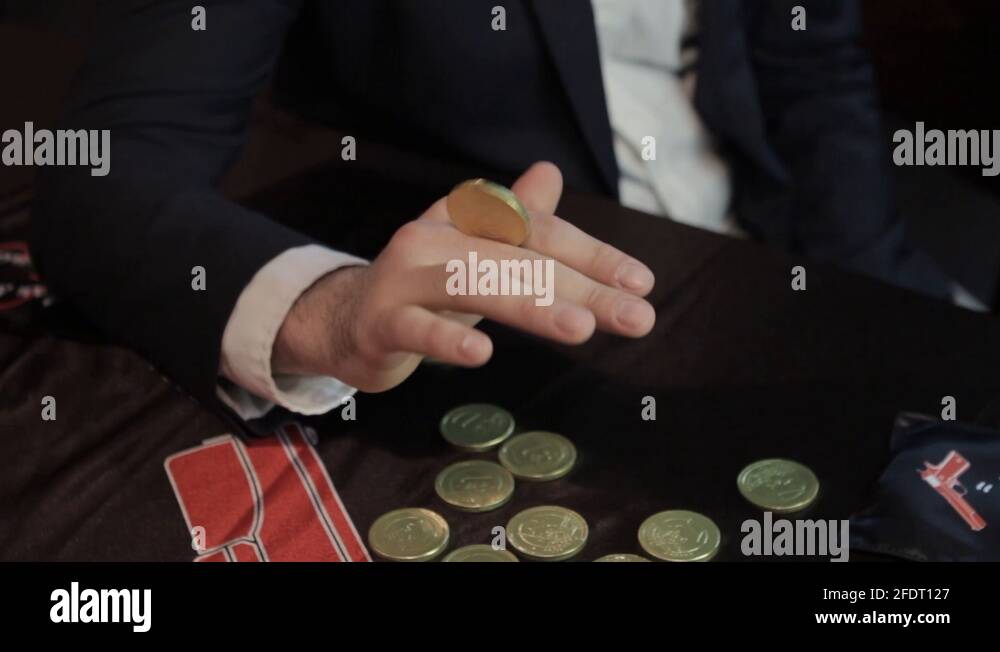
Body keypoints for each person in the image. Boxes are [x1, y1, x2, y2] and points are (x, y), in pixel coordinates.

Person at [29, 0, 951, 423]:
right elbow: (101, 169)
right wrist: (330, 307)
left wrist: (901, 301)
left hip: (787, 250)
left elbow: (813, 72)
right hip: (500, 340)